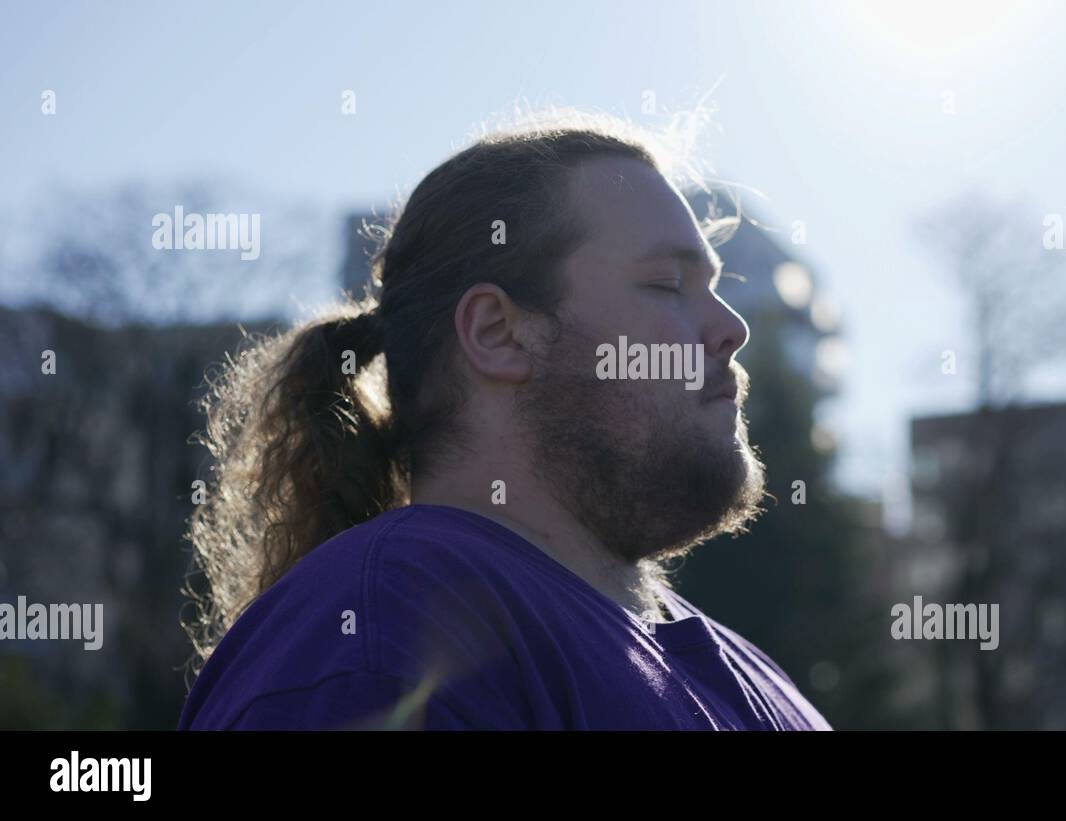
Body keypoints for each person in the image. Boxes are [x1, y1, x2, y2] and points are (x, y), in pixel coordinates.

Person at [178, 110, 831, 730]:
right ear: (498, 333)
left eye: (716, 286)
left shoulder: (753, 672)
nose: (732, 328)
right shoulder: (377, 636)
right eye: (666, 284)